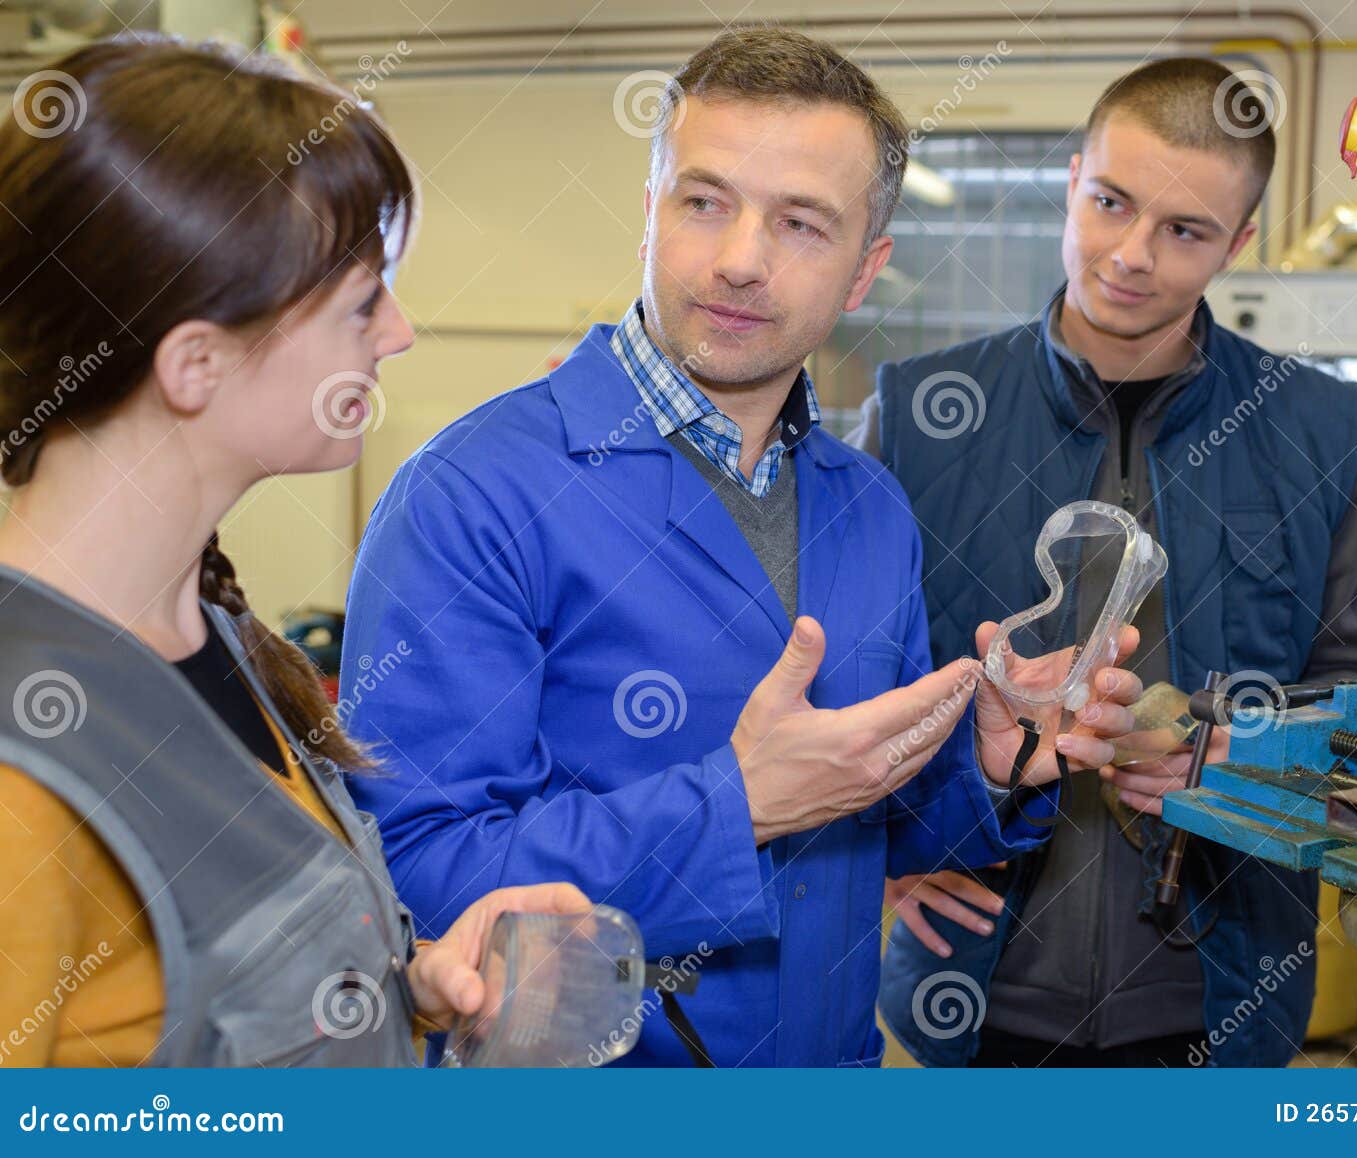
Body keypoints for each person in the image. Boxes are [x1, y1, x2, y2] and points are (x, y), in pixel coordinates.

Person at [340, 26, 1143, 1068]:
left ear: (864, 271)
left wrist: (989, 766)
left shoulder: (870, 510)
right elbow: (416, 869)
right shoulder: (472, 493)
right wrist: (736, 807)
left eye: (803, 225)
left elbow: (867, 827)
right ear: (648, 213)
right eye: (703, 201)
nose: (738, 260)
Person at [0, 36, 590, 1067]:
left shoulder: (217, 643)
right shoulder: (24, 771)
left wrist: (404, 994)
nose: (397, 333)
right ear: (197, 362)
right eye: (364, 301)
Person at [857, 58, 1357, 1067]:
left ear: (1237, 244)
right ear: (1073, 179)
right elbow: (843, 686)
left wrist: (1255, 758)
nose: (1130, 256)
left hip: (1220, 1000)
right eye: (1109, 203)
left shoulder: (1320, 433)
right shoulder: (916, 420)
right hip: (971, 1000)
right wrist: (875, 850)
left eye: (1184, 231)